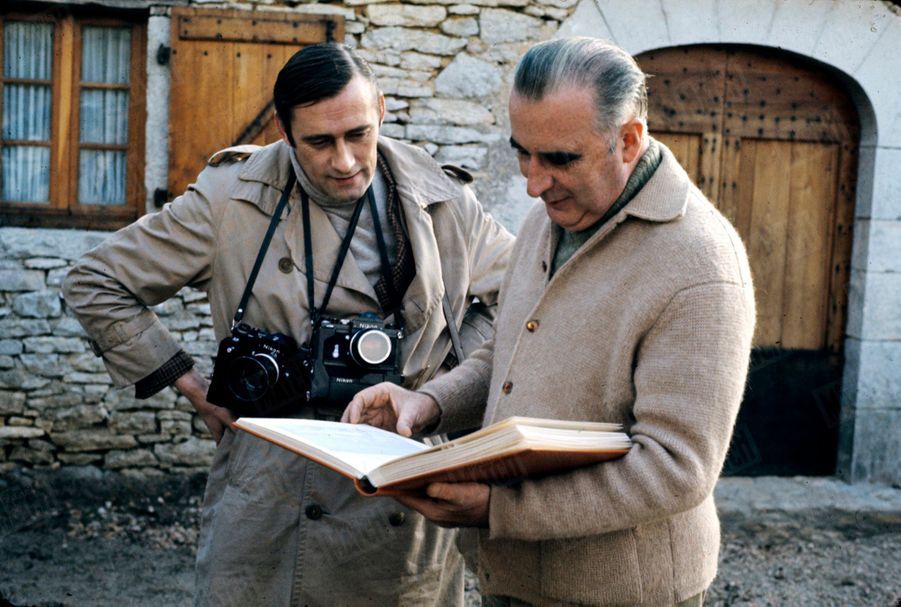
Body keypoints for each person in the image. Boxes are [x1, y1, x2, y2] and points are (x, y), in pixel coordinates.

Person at [63, 44, 513, 606]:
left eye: (359, 134)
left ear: (381, 107)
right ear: (283, 129)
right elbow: (97, 281)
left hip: (397, 478)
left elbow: (528, 302)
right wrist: (193, 386)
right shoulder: (232, 198)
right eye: (319, 142)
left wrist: (443, 376)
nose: (345, 161)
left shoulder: (443, 199)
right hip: (272, 488)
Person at [343, 37, 756, 606]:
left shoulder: (702, 265)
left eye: (559, 159)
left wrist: (499, 509)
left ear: (629, 140)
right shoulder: (551, 218)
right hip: (510, 577)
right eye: (523, 153)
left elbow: (675, 470)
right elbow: (506, 352)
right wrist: (429, 403)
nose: (533, 185)